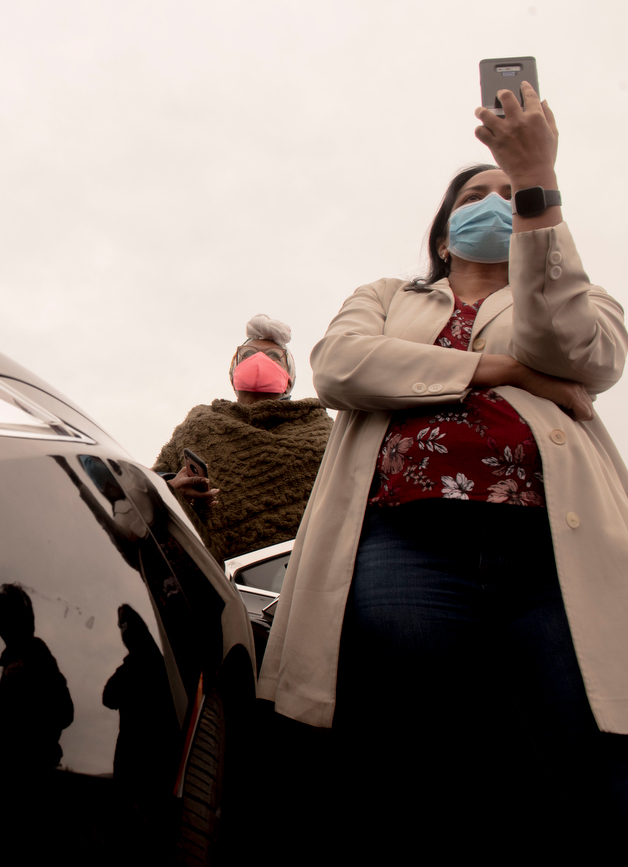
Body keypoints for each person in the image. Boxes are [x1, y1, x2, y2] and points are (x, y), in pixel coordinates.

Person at [257, 81, 627, 856]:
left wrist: (538, 180)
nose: (494, 202)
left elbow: (582, 353)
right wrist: (510, 371)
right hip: (409, 542)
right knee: (417, 746)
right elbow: (341, 364)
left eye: (509, 194)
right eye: (474, 195)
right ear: (444, 233)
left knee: (594, 748)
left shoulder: (575, 294)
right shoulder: (388, 296)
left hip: (553, 553)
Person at [154, 314, 332, 562]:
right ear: (233, 375)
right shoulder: (198, 425)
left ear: (289, 380)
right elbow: (150, 486)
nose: (259, 360)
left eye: (274, 356)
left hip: (310, 562)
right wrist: (171, 490)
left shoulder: (322, 429)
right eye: (247, 355)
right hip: (218, 570)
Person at [0, 584, 74, 769]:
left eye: (4, 610)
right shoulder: (10, 660)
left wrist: (32, 744)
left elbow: (65, 712)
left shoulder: (36, 653)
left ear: (20, 614)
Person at [102, 605, 178, 797]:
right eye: (120, 626)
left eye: (124, 625)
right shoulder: (164, 666)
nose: (122, 631)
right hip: (157, 768)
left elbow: (108, 697)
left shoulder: (137, 668)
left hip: (140, 767)